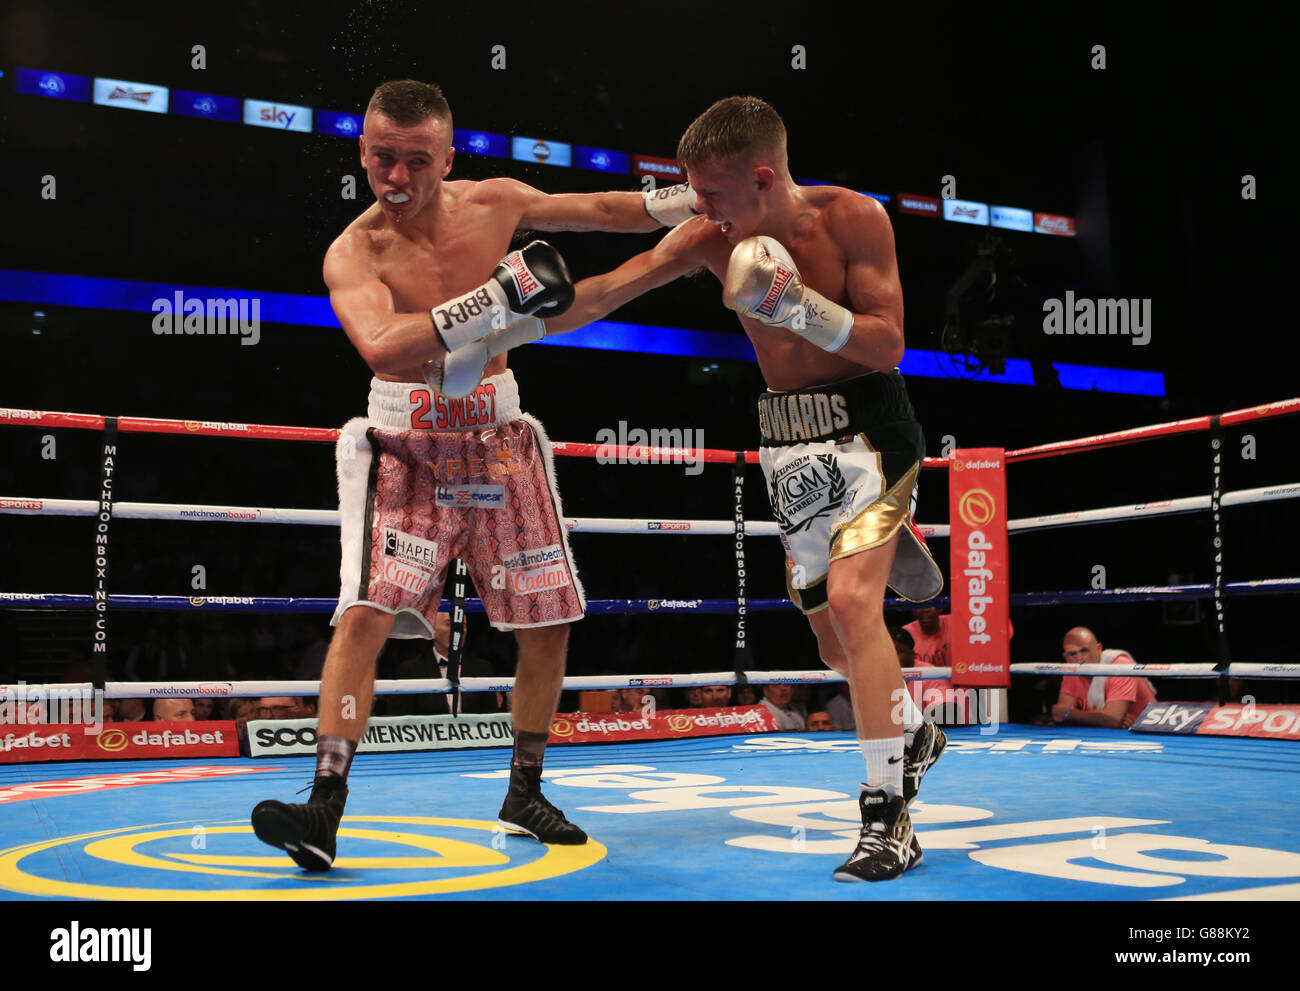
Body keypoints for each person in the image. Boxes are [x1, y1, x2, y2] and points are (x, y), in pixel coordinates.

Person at [251, 79, 668, 872]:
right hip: (405, 443)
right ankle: (324, 805)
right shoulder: (355, 249)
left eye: (416, 161)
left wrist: (698, 203)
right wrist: (497, 296)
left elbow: (607, 210)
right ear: (362, 151)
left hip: (499, 438)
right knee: (366, 612)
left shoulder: (496, 203)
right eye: (382, 158)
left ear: (449, 157)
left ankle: (525, 788)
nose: (397, 178)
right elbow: (381, 344)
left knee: (547, 621)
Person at [552, 96, 948, 881]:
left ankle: (888, 816)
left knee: (851, 605)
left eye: (714, 195)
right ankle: (912, 730)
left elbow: (888, 339)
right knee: (831, 640)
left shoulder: (854, 220)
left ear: (763, 177)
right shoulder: (710, 236)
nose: (700, 211)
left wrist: (792, 305)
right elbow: (608, 290)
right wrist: (505, 321)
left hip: (872, 430)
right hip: (788, 443)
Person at [1051, 627, 1156, 728]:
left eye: (1084, 651)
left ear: (1098, 649)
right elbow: (1058, 716)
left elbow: (1113, 720)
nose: (1079, 658)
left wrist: (1068, 713)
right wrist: (1103, 717)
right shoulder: (1073, 669)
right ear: (1066, 657)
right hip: (1106, 733)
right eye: (1072, 653)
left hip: (1147, 730)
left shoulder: (1119, 666)